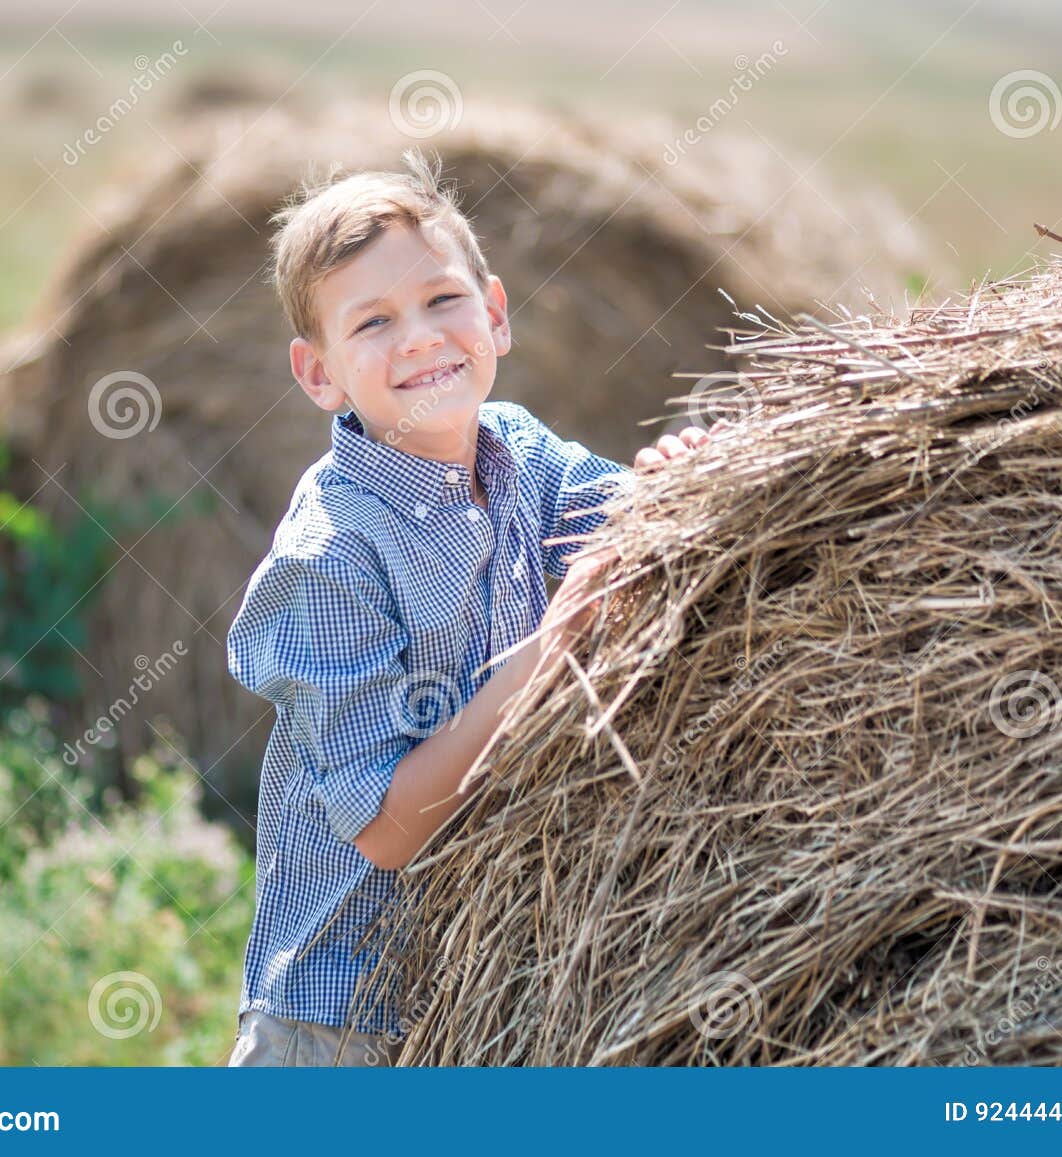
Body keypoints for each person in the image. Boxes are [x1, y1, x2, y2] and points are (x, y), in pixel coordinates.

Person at [225, 150, 718, 1066]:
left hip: (493, 997)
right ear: (317, 374)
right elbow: (390, 828)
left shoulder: (523, 457)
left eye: (441, 301)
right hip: (340, 1023)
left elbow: (633, 533)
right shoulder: (330, 555)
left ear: (494, 312)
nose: (419, 337)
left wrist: (683, 486)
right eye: (372, 321)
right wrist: (557, 643)